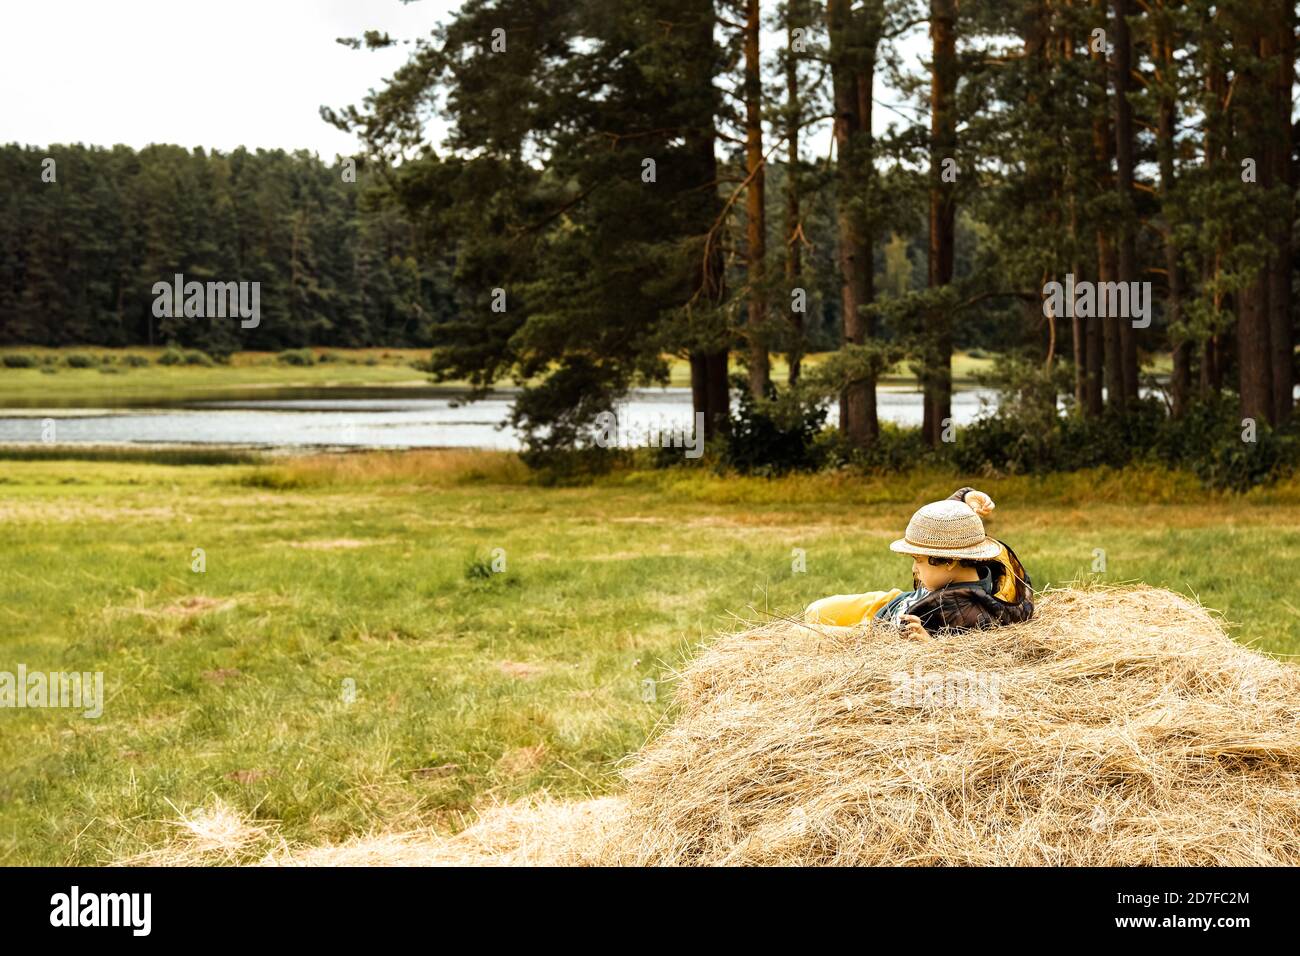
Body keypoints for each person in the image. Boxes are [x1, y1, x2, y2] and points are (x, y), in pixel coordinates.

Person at [803, 486, 1034, 638]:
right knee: (814, 610)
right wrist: (964, 498)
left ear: (950, 561)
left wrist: (931, 646)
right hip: (890, 601)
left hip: (877, 631)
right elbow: (942, 525)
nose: (914, 568)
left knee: (801, 633)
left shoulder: (972, 613)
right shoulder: (967, 562)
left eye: (918, 560)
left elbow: (972, 654)